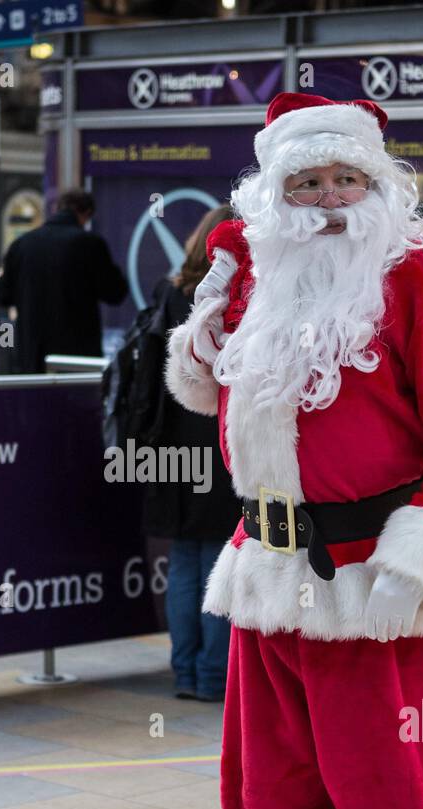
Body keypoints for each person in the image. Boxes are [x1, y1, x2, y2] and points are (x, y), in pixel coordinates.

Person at [166, 93, 423, 809]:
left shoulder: (420, 278)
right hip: (270, 574)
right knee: (273, 794)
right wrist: (201, 339)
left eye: (345, 179)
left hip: (376, 584)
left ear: (378, 185)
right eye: (308, 182)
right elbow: (213, 397)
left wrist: (419, 561)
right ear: (275, 194)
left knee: (399, 797)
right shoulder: (259, 276)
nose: (327, 199)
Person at [143, 205, 242, 702]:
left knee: (185, 557)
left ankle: (184, 671)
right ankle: (212, 675)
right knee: (220, 557)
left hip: (172, 447)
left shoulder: (168, 292)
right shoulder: (234, 296)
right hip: (219, 442)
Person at [0, 188, 128, 373]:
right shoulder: (91, 244)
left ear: (57, 208)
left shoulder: (21, 245)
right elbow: (116, 293)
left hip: (33, 357)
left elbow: (3, 296)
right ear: (86, 214)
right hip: (77, 358)